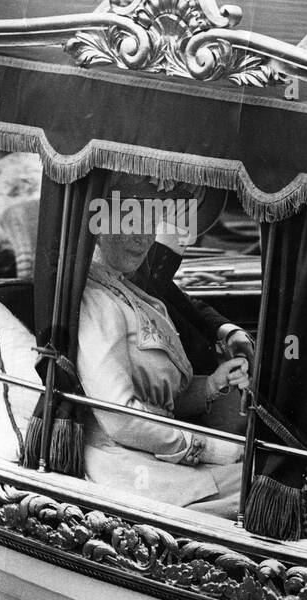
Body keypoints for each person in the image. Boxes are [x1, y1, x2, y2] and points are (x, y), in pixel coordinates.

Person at [77, 195, 250, 516]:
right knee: (263, 488)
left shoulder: (129, 292)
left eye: (148, 223)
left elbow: (153, 400)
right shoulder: (98, 300)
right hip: (127, 469)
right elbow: (121, 418)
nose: (143, 237)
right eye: (130, 223)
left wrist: (210, 385)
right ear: (98, 227)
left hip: (153, 455)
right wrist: (204, 446)